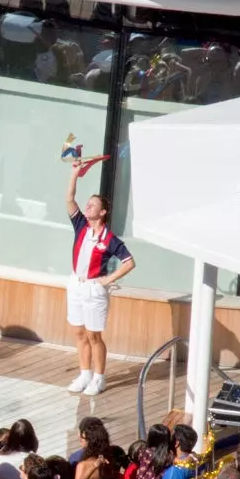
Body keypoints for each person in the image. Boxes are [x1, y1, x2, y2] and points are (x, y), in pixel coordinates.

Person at [64, 157, 134, 397]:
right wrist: (75, 174)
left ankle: (99, 377)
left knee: (94, 335)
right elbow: (69, 199)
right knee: (79, 332)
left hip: (95, 287)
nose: (88, 206)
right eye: (89, 203)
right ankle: (84, 374)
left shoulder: (109, 238)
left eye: (93, 204)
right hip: (75, 283)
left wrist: (109, 278)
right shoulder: (81, 226)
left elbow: (129, 262)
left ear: (103, 212)